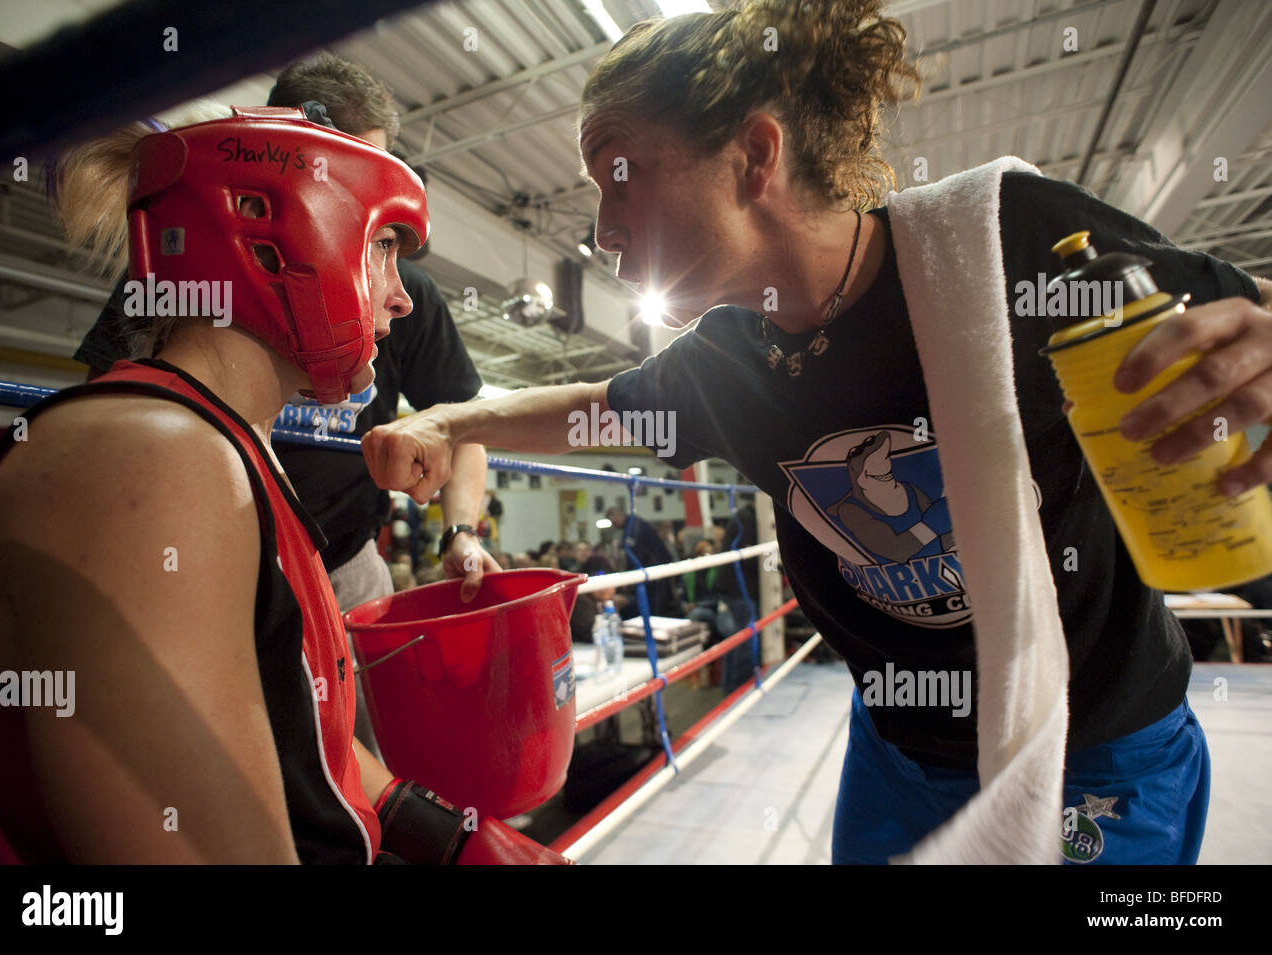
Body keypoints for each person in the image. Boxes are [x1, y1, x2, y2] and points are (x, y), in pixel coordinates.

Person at [361, 0, 1272, 865]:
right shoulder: (728, 358)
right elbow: (598, 404)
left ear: (755, 155)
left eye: (621, 177)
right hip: (900, 743)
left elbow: (1240, 310)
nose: (600, 230)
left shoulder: (1006, 242)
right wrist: (447, 417)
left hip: (1097, 739)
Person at [0, 107, 566, 865]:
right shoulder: (156, 462)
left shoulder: (236, 445)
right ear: (283, 242)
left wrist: (455, 841)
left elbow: (308, 749)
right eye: (382, 246)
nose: (402, 296)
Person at [69, 53, 497, 759]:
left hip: (334, 552)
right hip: (215, 548)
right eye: (360, 204)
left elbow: (469, 420)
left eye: (386, 236)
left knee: (348, 752)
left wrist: (461, 527)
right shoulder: (184, 304)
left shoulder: (396, 304)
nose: (394, 292)